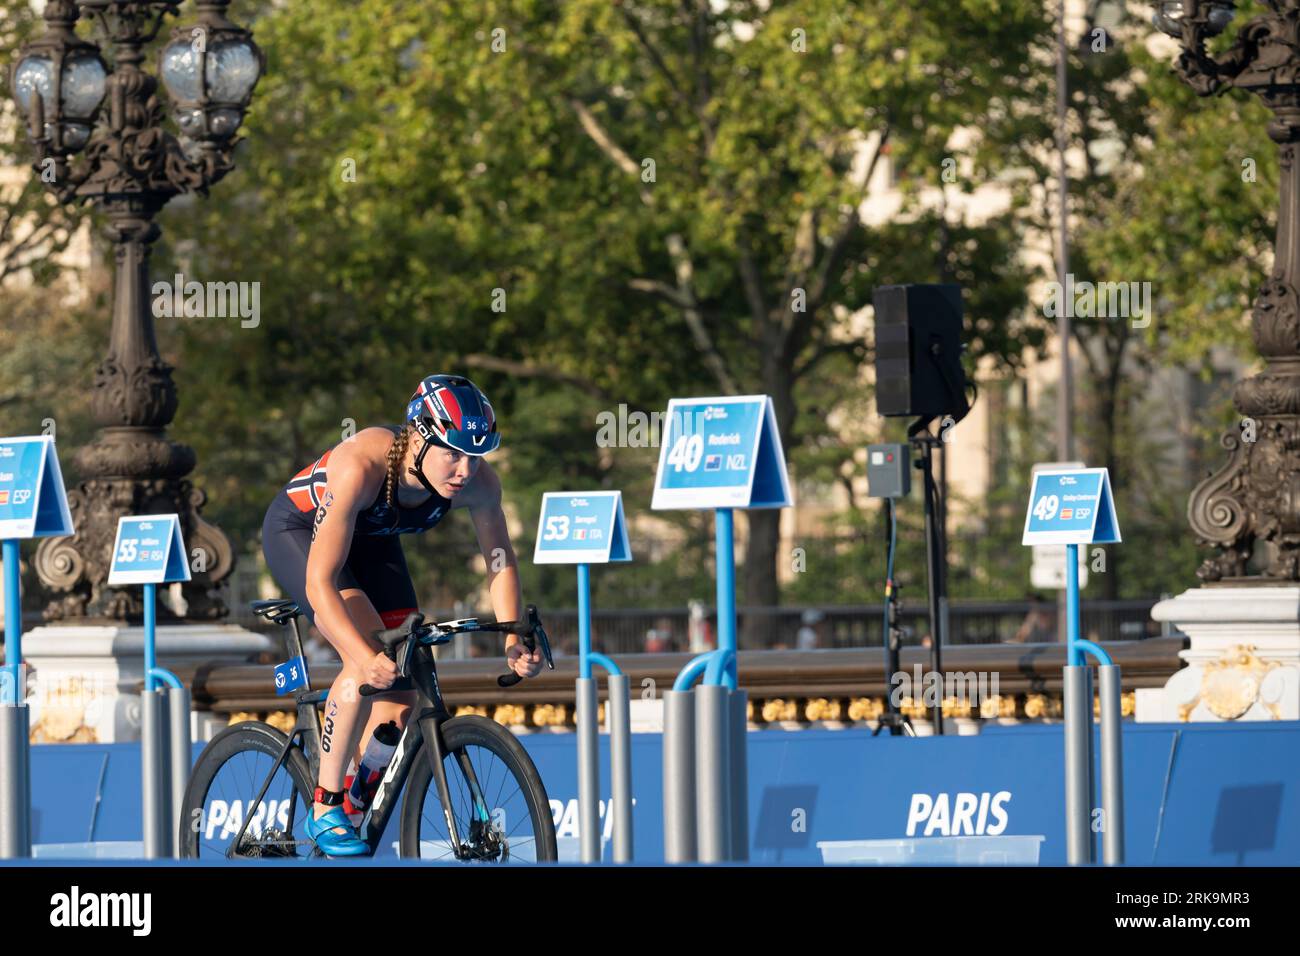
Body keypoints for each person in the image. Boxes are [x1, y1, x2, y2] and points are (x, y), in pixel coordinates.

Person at [260, 374, 542, 856]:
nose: (465, 470)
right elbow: (320, 582)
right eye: (453, 452)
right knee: (366, 657)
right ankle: (325, 805)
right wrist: (360, 654)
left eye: (475, 456)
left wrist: (514, 635)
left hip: (372, 540)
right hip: (301, 534)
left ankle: (356, 792)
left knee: (402, 695)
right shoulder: (361, 465)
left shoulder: (477, 483)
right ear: (418, 435)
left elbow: (500, 559)